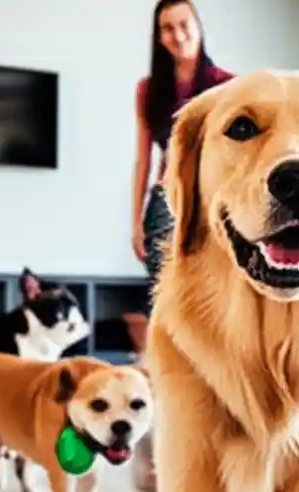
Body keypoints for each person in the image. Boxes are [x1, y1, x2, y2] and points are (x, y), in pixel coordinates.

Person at [131, 0, 234, 313]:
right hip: (165, 201)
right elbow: (143, 160)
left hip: (211, 200)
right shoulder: (148, 90)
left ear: (198, 28)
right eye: (168, 28)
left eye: (184, 25)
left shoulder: (227, 85)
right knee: (167, 298)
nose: (178, 35)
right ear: (159, 37)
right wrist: (136, 222)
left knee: (212, 299)